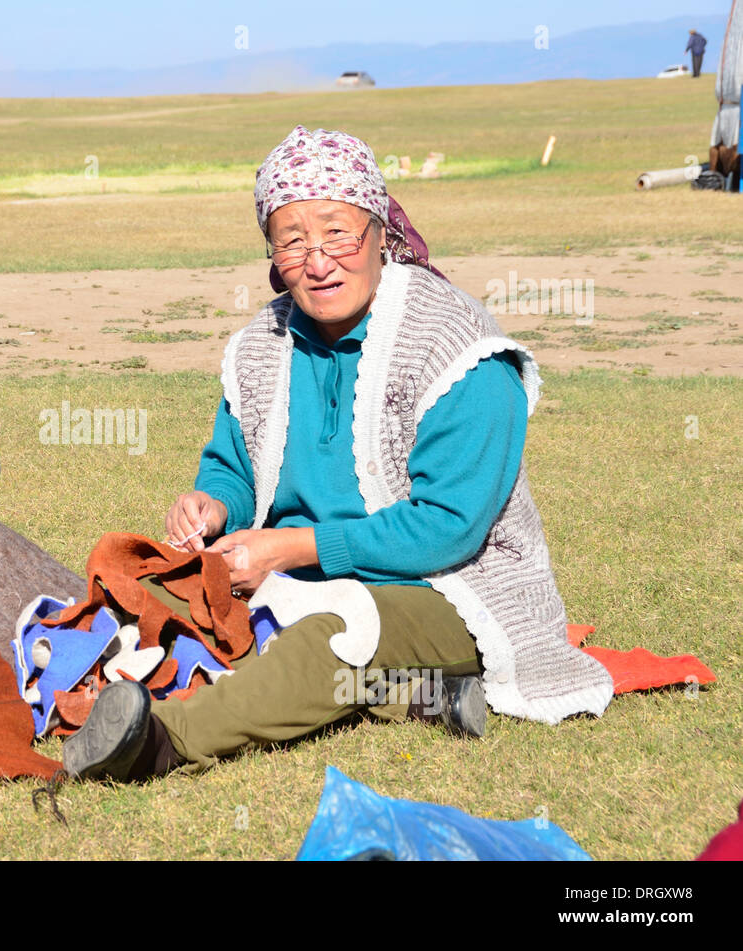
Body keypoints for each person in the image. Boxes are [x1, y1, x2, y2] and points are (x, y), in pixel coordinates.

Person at [61, 127, 613, 781]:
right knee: (144, 584)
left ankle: (158, 743)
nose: (317, 261)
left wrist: (294, 549)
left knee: (338, 633)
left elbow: (447, 530)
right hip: (294, 576)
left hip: (451, 587)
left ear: (380, 231)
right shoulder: (262, 344)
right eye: (292, 240)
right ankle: (413, 693)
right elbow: (235, 469)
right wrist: (212, 506)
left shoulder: (457, 350)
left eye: (337, 234)